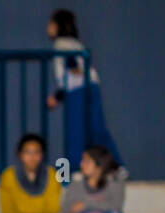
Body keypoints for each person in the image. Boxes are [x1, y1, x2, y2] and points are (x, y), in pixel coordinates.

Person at [44, 8, 124, 173]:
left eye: (51, 24)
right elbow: (70, 75)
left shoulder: (61, 44)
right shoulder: (75, 43)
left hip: (78, 92)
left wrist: (61, 91)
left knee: (75, 134)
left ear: (58, 25)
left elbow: (71, 69)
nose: (48, 28)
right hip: (90, 87)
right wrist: (58, 96)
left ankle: (67, 175)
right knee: (97, 130)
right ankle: (118, 167)